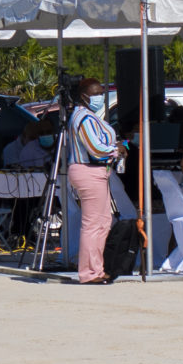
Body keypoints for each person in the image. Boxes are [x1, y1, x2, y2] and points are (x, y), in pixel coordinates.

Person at [66, 76, 120, 284]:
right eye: (96, 94)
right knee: (92, 224)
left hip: (95, 172)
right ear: (84, 96)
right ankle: (88, 273)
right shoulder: (84, 118)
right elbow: (95, 148)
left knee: (103, 221)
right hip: (88, 170)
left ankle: (96, 268)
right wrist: (116, 151)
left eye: (101, 93)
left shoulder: (88, 115)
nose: (100, 97)